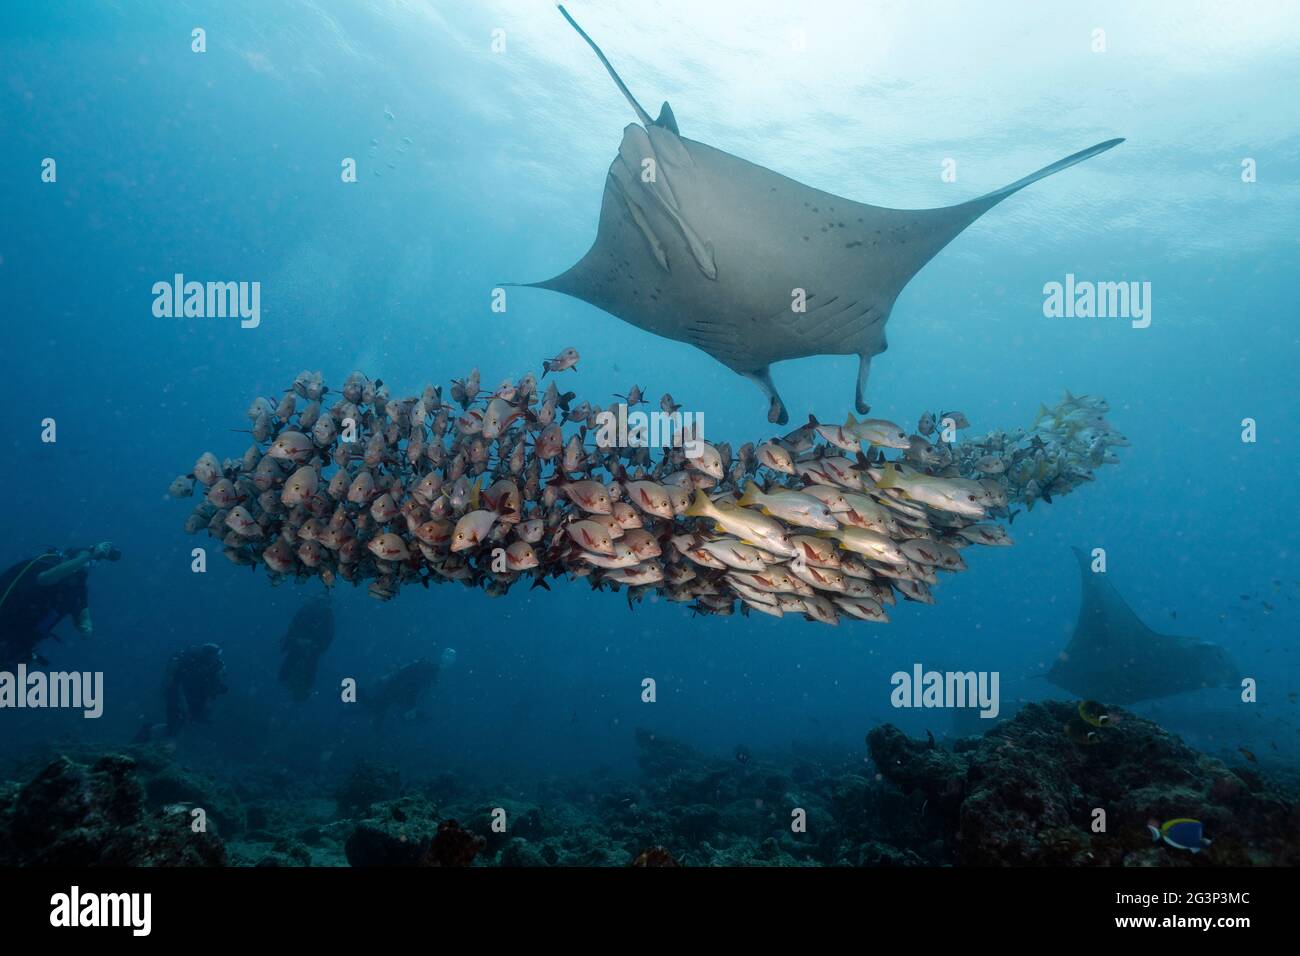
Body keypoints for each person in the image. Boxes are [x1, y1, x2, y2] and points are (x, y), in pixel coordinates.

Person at [0, 542, 120, 667]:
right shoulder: (47, 564)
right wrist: (88, 556)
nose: (84, 568)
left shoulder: (77, 587)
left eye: (91, 565)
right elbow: (47, 578)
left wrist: (86, 626)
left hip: (18, 645)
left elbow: (83, 613)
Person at [164, 643, 229, 735]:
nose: (217, 659)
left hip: (192, 693)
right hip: (185, 692)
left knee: (185, 719)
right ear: (208, 655)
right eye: (215, 656)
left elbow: (212, 684)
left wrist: (217, 688)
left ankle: (174, 731)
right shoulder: (191, 663)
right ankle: (166, 733)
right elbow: (179, 682)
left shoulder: (210, 665)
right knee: (177, 719)